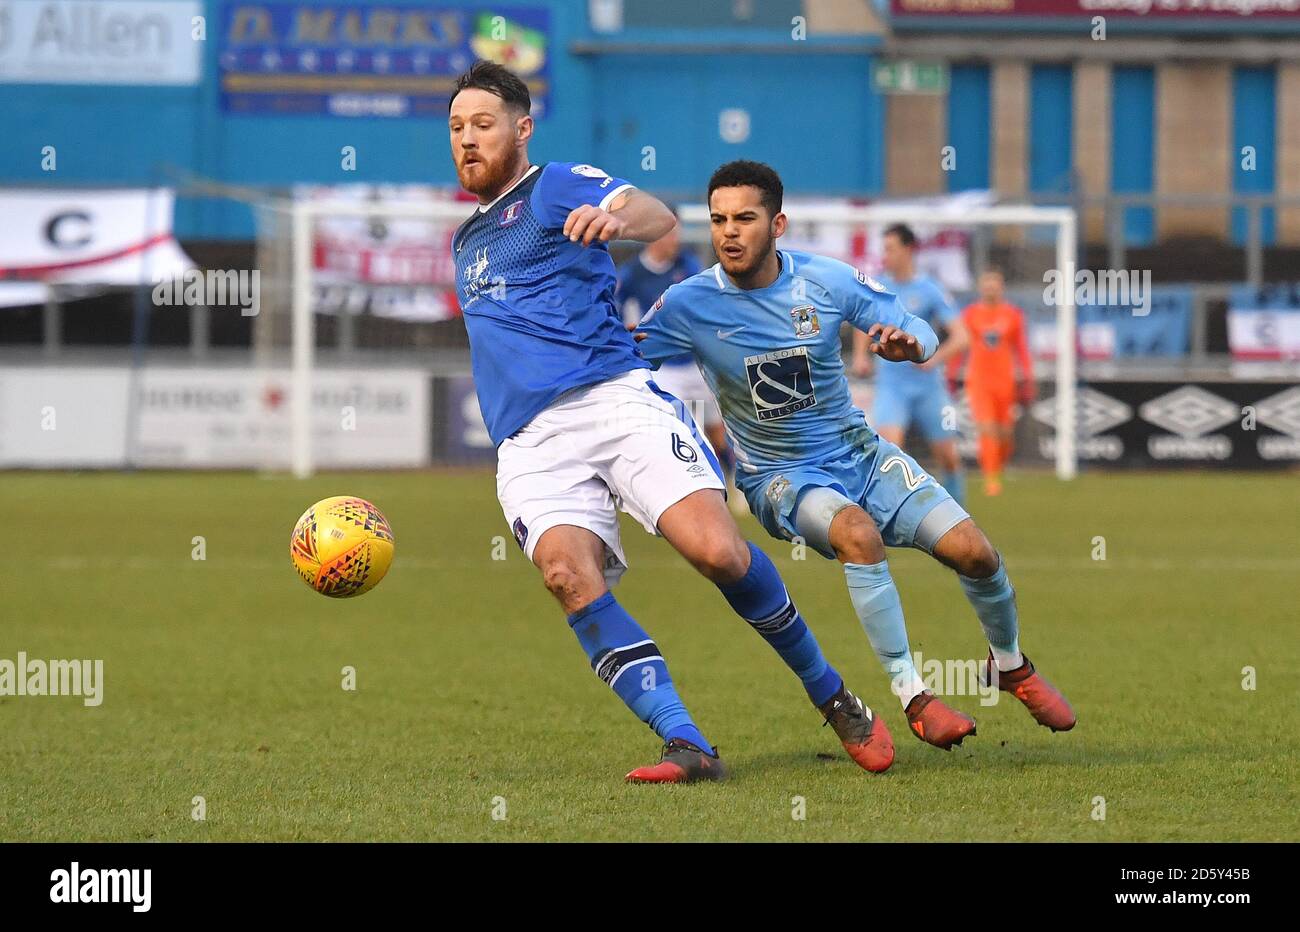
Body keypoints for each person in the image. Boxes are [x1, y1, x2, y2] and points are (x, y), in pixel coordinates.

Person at [448, 62, 892, 783]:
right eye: (457, 128)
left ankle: (832, 694)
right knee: (566, 575)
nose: (467, 140)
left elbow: (656, 214)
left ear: (522, 130)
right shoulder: (465, 243)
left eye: (483, 124)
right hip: (528, 443)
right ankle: (688, 744)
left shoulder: (554, 185)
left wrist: (618, 220)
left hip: (614, 400)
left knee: (717, 553)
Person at [637, 161, 1075, 753]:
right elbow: (621, 358)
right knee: (858, 535)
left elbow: (916, 326)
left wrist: (908, 343)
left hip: (861, 457)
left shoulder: (826, 280)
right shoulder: (688, 303)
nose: (729, 233)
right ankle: (914, 697)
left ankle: (1010, 665)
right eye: (718, 220)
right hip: (779, 478)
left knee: (975, 553)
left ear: (778, 223)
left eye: (744, 218)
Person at [615, 217, 746, 513]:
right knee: (680, 430)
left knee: (716, 430)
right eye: (669, 234)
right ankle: (694, 491)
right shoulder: (632, 274)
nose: (675, 240)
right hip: (664, 369)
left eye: (678, 234)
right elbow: (617, 311)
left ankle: (736, 481)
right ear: (654, 236)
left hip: (697, 364)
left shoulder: (688, 265)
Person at [851, 224, 968, 506]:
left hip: (929, 387)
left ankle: (958, 519)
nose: (885, 255)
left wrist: (933, 359)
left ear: (908, 249)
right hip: (892, 385)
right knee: (890, 453)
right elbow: (861, 322)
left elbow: (962, 336)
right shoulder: (879, 286)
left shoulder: (929, 289)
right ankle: (892, 517)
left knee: (949, 458)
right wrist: (860, 356)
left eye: (890, 248)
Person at [959, 269, 1035, 496]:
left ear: (1001, 288)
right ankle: (991, 478)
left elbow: (1021, 348)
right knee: (987, 428)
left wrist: (1028, 377)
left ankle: (997, 467)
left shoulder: (1012, 315)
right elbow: (961, 347)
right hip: (978, 380)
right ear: (981, 288)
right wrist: (953, 372)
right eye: (986, 285)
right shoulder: (970, 315)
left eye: (995, 285)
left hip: (1005, 381)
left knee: (1005, 434)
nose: (990, 289)